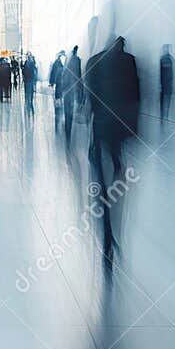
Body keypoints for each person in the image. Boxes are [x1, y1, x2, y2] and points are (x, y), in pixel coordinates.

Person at [83, 36, 140, 266]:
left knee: (101, 172)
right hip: (119, 124)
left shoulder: (96, 61)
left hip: (102, 125)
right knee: (114, 159)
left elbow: (91, 92)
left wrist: (90, 114)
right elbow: (136, 94)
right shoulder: (129, 62)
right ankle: (110, 230)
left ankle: (106, 229)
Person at [62, 46, 83, 144]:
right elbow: (78, 77)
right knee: (70, 111)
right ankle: (68, 130)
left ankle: (67, 129)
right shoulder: (76, 61)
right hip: (72, 90)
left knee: (67, 111)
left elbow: (64, 76)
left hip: (67, 90)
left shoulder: (68, 61)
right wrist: (80, 91)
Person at [159, 44, 175, 122]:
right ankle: (164, 116)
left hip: (166, 83)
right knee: (166, 100)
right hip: (166, 83)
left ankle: (164, 116)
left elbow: (163, 72)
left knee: (165, 100)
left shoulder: (165, 59)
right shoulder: (168, 59)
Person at [21, 52, 38, 121]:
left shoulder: (32, 63)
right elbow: (24, 71)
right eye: (27, 56)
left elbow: (34, 72)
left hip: (30, 80)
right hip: (27, 81)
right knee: (27, 93)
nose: (28, 57)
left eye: (29, 56)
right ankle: (27, 101)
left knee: (30, 93)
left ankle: (29, 101)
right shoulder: (27, 63)